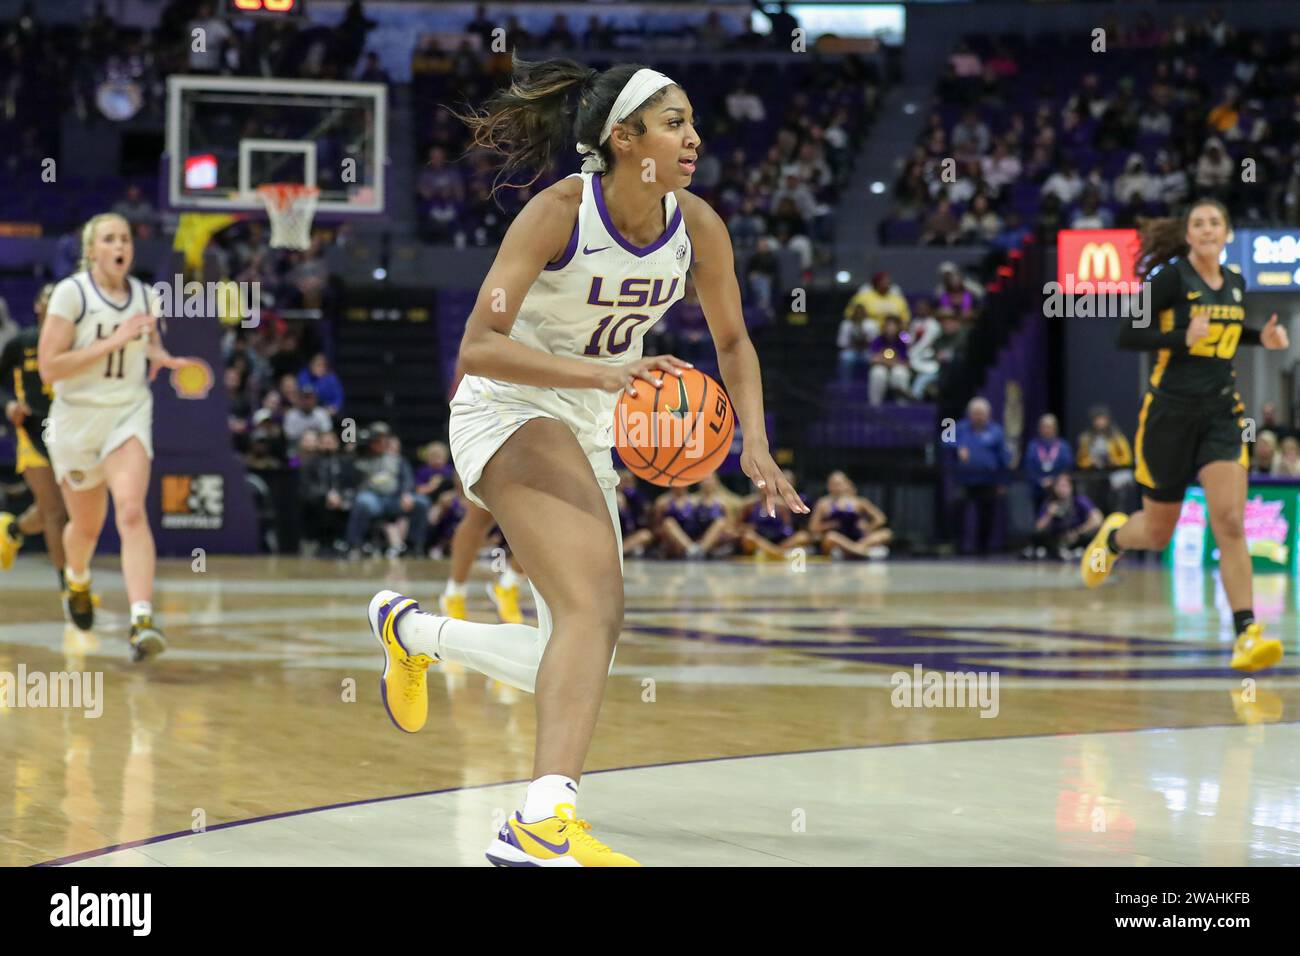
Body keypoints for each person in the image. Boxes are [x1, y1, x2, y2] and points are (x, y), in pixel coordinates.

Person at [364, 57, 805, 866]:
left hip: (591, 422)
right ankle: (540, 822)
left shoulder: (698, 225)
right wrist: (606, 375)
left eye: (693, 122)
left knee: (582, 642)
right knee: (592, 608)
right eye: (674, 122)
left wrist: (756, 443)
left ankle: (414, 632)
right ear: (622, 136)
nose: (693, 138)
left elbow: (734, 341)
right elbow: (479, 347)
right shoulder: (557, 213)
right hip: (507, 406)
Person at [1082, 198, 1287, 673]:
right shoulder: (1169, 279)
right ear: (1189, 234)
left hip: (1221, 414)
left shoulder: (1235, 282)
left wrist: (1263, 338)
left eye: (1216, 222)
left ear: (1227, 233)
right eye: (1199, 223)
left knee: (1231, 522)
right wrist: (1179, 339)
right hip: (1168, 417)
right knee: (1157, 533)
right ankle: (1114, 538)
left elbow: (1227, 334)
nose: (1208, 229)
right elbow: (1127, 335)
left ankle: (1246, 633)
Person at [37, 213, 195, 658]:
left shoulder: (146, 295)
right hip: (76, 419)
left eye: (125, 238)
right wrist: (114, 340)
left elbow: (149, 344)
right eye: (109, 239)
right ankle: (78, 581)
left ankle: (142, 619)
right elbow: (50, 367)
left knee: (129, 511)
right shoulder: (72, 294)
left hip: (127, 411)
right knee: (86, 528)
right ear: (93, 250)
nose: (119, 245)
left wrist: (163, 358)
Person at [0, 285, 69, 591]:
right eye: (48, 298)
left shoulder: (76, 343)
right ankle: (71, 589)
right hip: (31, 430)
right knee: (54, 510)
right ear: (38, 307)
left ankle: (13, 529)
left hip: (69, 429)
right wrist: (9, 405)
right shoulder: (20, 343)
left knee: (53, 509)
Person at [951, 396, 1009, 555]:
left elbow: (1003, 458)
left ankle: (983, 548)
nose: (978, 416)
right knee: (958, 511)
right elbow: (943, 441)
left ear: (988, 414)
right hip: (964, 480)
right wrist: (957, 447)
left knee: (987, 515)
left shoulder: (996, 431)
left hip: (988, 480)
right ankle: (959, 546)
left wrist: (1002, 482)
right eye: (975, 413)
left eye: (981, 413)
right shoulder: (959, 427)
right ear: (969, 414)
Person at [808, 470, 891, 559]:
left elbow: (880, 518)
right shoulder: (823, 503)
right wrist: (830, 525)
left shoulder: (858, 501)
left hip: (858, 538)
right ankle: (863, 553)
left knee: (886, 534)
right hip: (836, 540)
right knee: (830, 537)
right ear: (828, 485)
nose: (837, 487)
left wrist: (868, 528)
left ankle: (852, 550)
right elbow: (812, 527)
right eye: (834, 484)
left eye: (839, 484)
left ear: (846, 484)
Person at [1026, 473, 1101, 560]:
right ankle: (1052, 551)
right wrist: (1049, 515)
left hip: (1076, 535)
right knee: (1037, 536)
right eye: (1058, 486)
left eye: (1065, 486)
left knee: (1094, 535)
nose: (1061, 490)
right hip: (1057, 538)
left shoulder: (1079, 500)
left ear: (1071, 487)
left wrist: (1077, 532)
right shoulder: (1050, 502)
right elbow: (1038, 528)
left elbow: (1097, 519)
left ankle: (1076, 551)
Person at [1023, 413, 1074, 510]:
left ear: (1055, 428)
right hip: (1037, 489)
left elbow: (1068, 467)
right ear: (1040, 428)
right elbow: (1028, 468)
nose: (1047, 430)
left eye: (1049, 427)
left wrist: (1054, 481)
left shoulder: (1063, 446)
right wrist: (1040, 481)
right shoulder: (1033, 445)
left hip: (1058, 491)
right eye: (1044, 427)